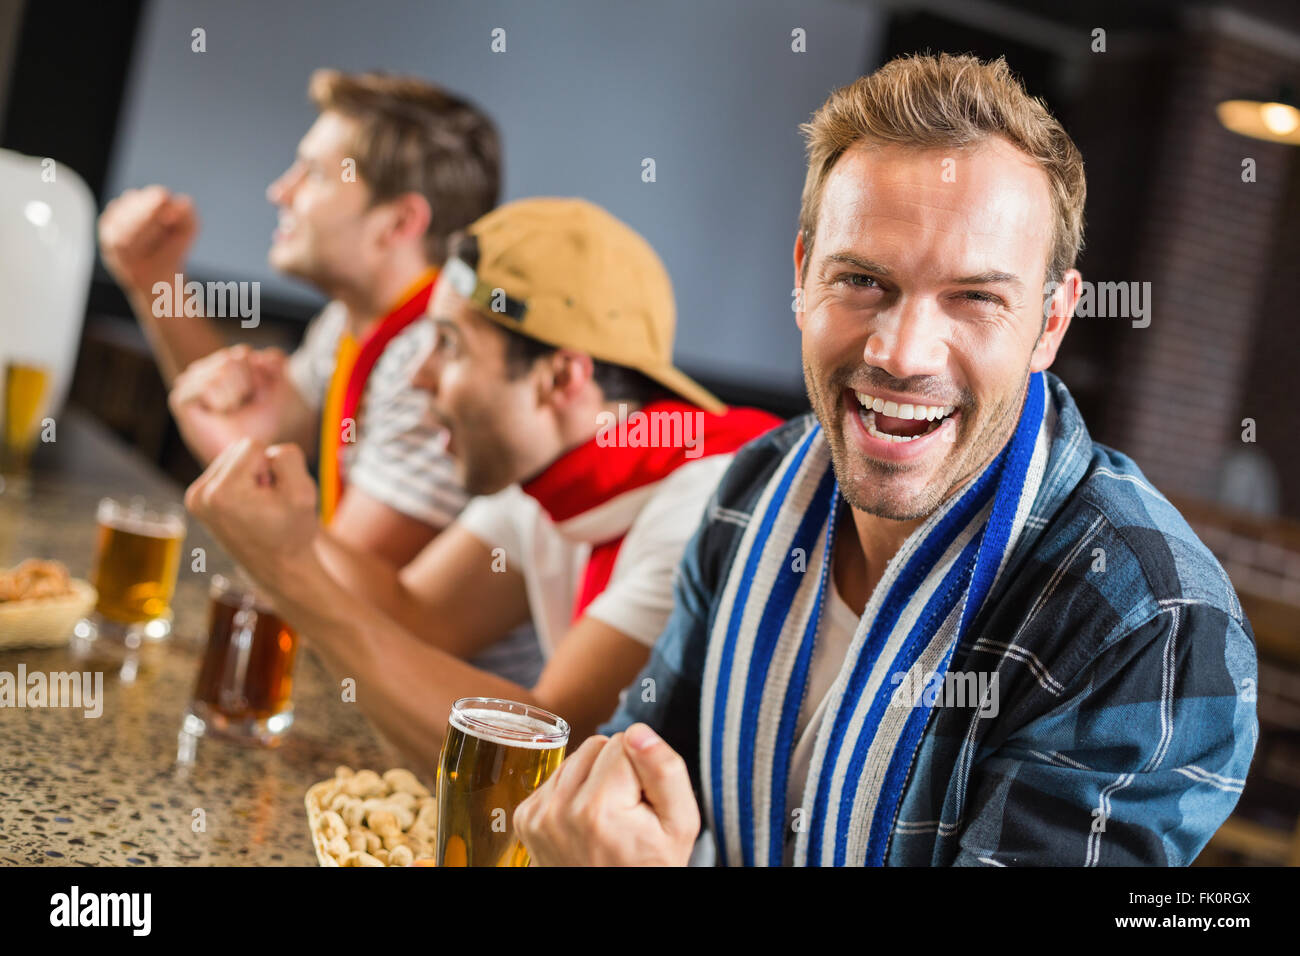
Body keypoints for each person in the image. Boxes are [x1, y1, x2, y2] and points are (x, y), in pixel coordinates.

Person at [514, 54, 1259, 867]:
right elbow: (631, 783)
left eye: (976, 297)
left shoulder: (1149, 621)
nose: (902, 354)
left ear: (1052, 322)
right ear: (803, 279)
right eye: (863, 280)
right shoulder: (756, 489)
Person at [183, 197, 783, 767]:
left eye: (448, 345)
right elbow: (411, 613)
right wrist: (272, 506)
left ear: (560, 378)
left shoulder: (699, 508)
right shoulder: (556, 476)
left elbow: (542, 751)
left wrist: (287, 569)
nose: (419, 376)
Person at [97, 69, 498, 570]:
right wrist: (155, 278)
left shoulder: (428, 362)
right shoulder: (351, 322)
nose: (280, 191)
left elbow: (342, 599)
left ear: (398, 222)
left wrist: (231, 455)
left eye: (315, 174)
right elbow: (254, 418)